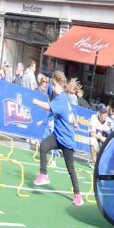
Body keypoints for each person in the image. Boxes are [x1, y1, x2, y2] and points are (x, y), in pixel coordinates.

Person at [32, 72, 84, 205]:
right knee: (43, 146)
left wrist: (37, 102)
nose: (52, 88)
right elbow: (70, 114)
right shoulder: (63, 97)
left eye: (54, 85)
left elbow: (50, 108)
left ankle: (78, 195)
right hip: (57, 136)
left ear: (60, 85)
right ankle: (43, 175)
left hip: (66, 140)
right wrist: (74, 122)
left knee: (70, 169)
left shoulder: (61, 99)